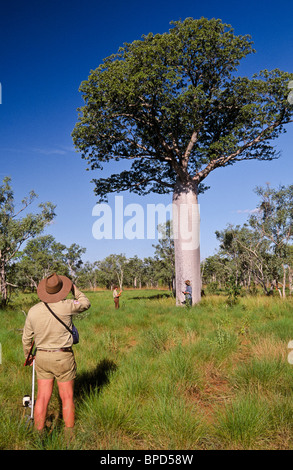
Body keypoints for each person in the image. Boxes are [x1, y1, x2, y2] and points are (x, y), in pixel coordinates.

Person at [22, 272, 91, 436]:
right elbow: (85, 303)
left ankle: (39, 434)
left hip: (42, 357)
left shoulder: (33, 310)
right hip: (63, 357)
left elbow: (26, 338)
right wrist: (74, 289)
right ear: (61, 289)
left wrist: (29, 356)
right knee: (67, 397)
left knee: (43, 396)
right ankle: (69, 435)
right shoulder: (66, 305)